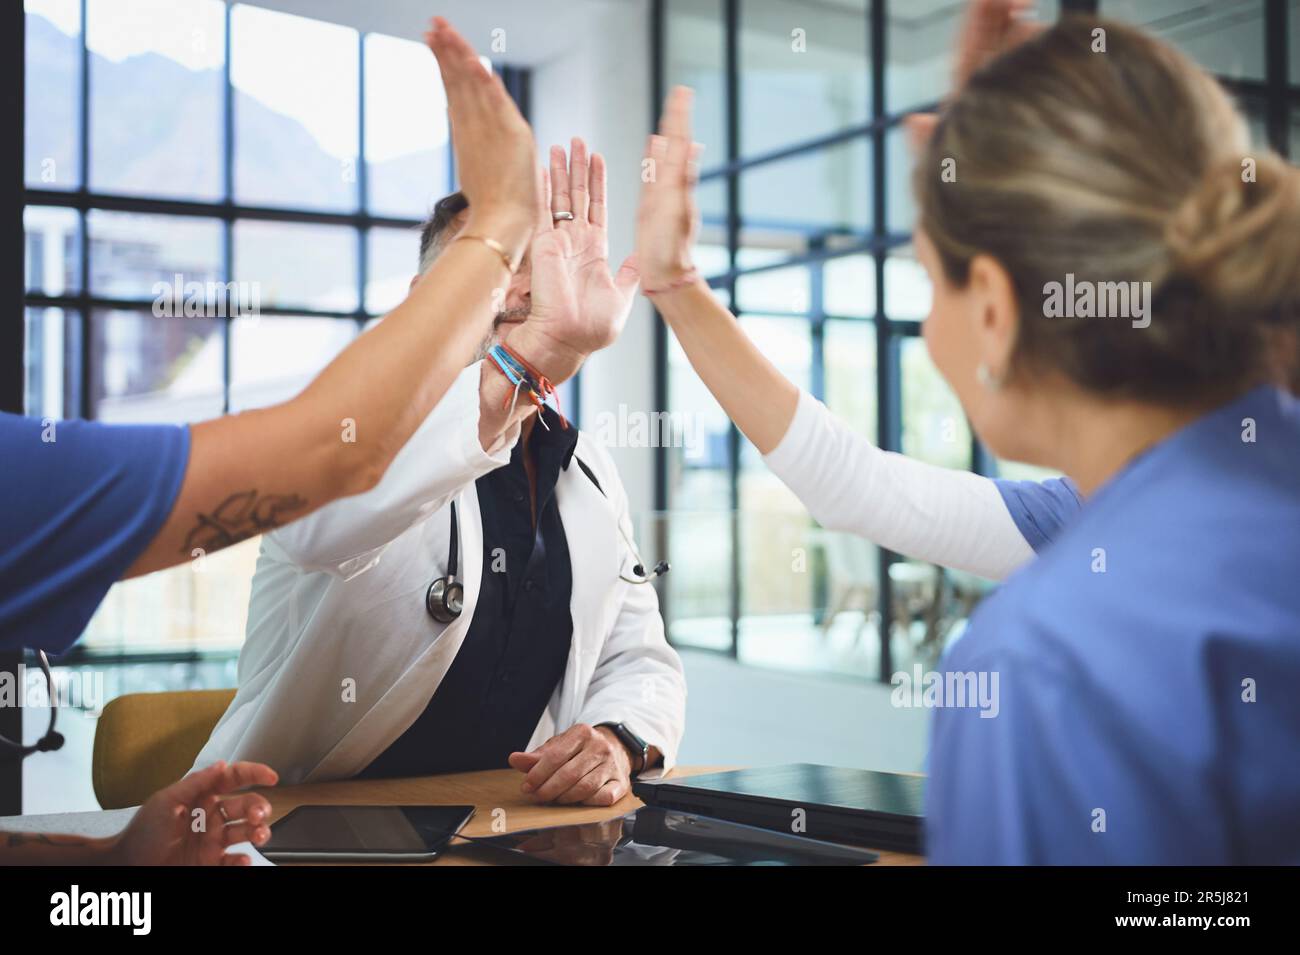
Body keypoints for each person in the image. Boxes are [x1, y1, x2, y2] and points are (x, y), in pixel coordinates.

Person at [635, 1, 1300, 864]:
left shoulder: (1043, 665)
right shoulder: (1140, 511)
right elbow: (857, 485)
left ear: (992, 306)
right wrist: (677, 285)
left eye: (927, 274)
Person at [0, 17, 538, 865]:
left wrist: (107, 867)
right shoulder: (22, 476)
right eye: (510, 299)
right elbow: (333, 458)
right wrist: (501, 226)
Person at [194, 142, 686, 808]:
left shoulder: (588, 471)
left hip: (507, 822)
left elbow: (640, 657)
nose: (527, 286)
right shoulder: (351, 429)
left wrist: (617, 738)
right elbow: (316, 528)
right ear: (422, 301)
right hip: (291, 826)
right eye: (496, 264)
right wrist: (520, 368)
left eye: (540, 263)